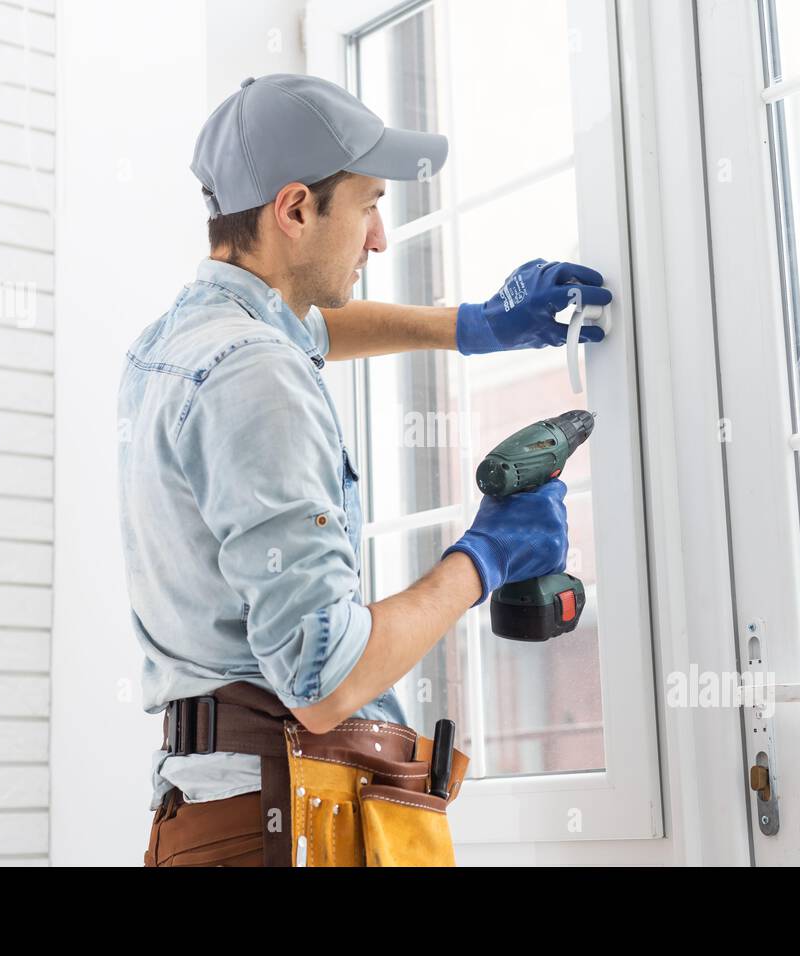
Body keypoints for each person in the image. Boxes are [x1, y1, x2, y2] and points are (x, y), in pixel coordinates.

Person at [120, 73, 613, 866]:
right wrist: (484, 559)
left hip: (217, 813)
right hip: (282, 818)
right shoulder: (257, 374)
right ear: (295, 209)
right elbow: (323, 679)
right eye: (368, 204)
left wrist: (473, 327)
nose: (379, 237)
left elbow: (308, 329)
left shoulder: (176, 343)